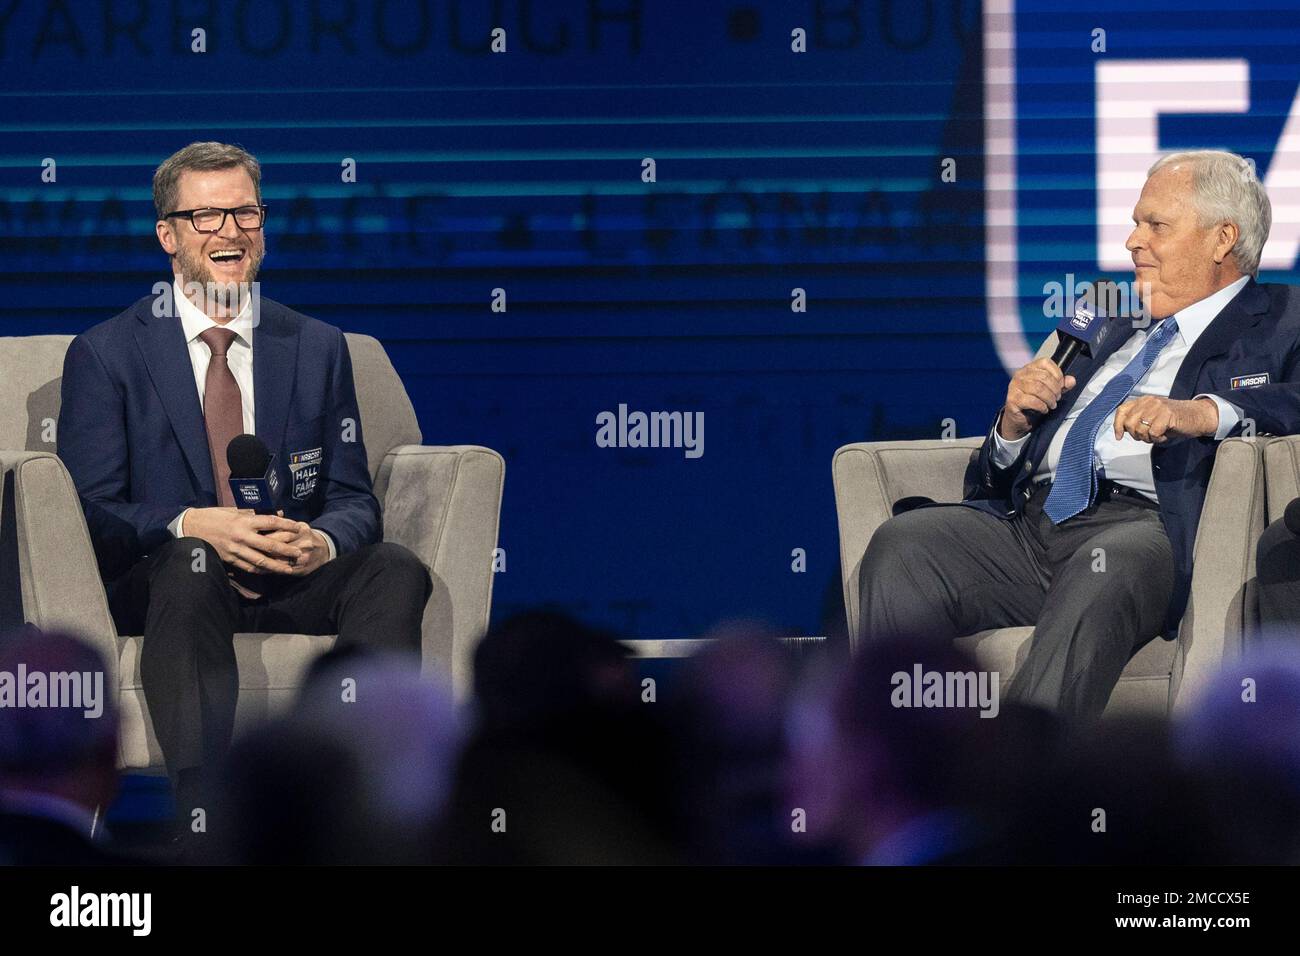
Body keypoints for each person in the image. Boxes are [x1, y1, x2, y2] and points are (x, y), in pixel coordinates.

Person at [56, 142, 433, 836]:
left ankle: (374, 812)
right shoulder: (108, 354)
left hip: (290, 579)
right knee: (193, 563)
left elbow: (352, 496)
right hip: (173, 585)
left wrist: (319, 540)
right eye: (205, 216)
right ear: (167, 235)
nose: (230, 231)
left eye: (244, 212)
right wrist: (190, 525)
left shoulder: (317, 346)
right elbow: (88, 510)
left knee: (393, 568)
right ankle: (208, 820)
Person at [858, 149, 1300, 721]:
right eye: (1136, 222)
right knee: (905, 546)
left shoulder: (1283, 318)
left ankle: (1022, 787)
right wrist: (1012, 427)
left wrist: (1206, 413)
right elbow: (988, 482)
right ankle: (899, 780)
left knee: (1105, 562)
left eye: (1155, 225)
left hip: (1148, 529)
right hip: (1030, 527)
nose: (1132, 242)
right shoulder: (1104, 312)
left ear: (1222, 240)